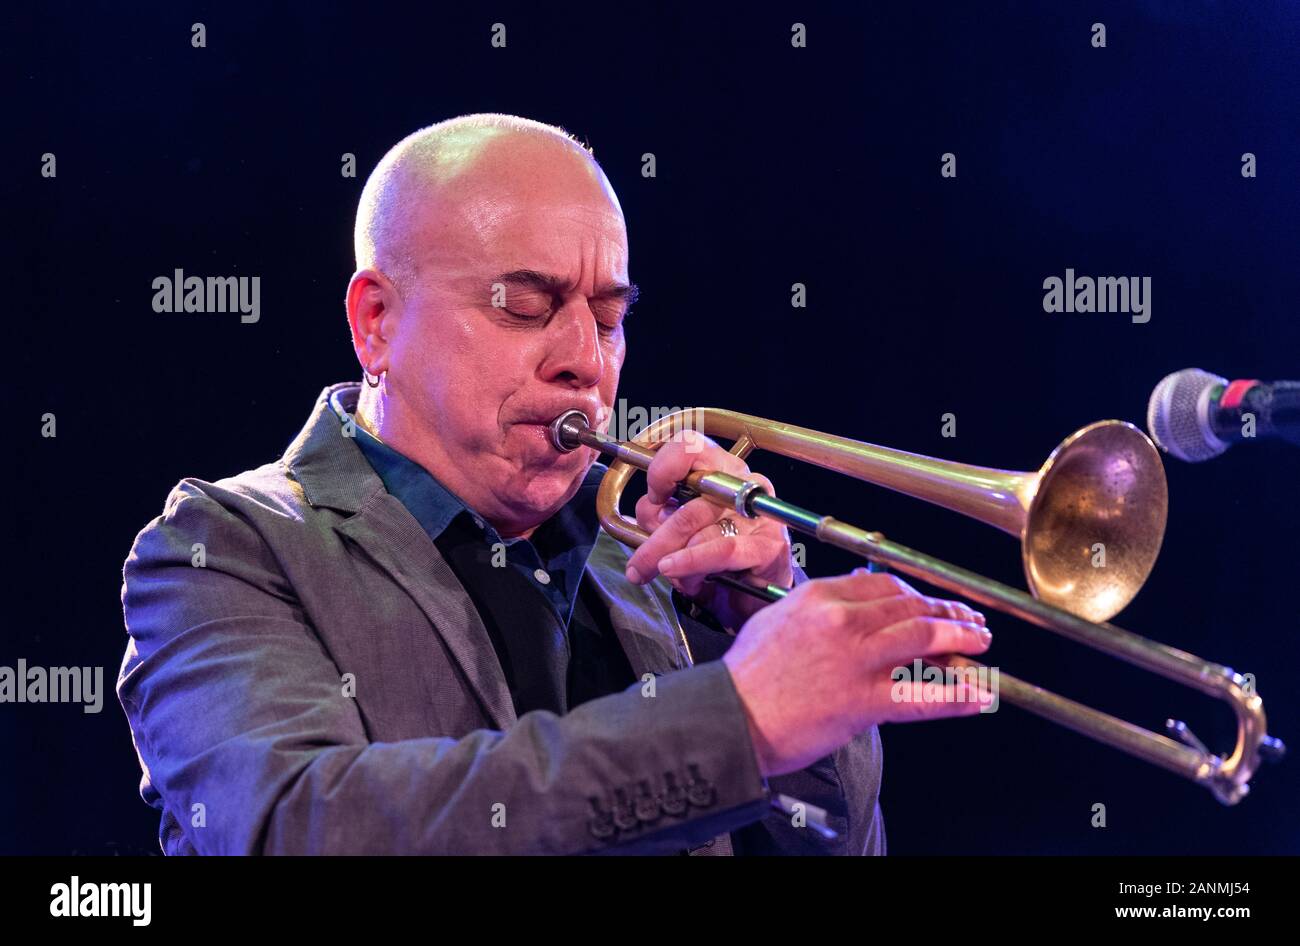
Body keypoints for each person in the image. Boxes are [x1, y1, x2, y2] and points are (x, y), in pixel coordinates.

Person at [117, 113, 993, 855]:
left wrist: (763, 616)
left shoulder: (656, 562)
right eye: (523, 307)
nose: (586, 362)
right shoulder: (222, 548)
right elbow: (295, 827)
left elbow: (831, 846)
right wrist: (732, 717)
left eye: (609, 318)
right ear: (376, 324)